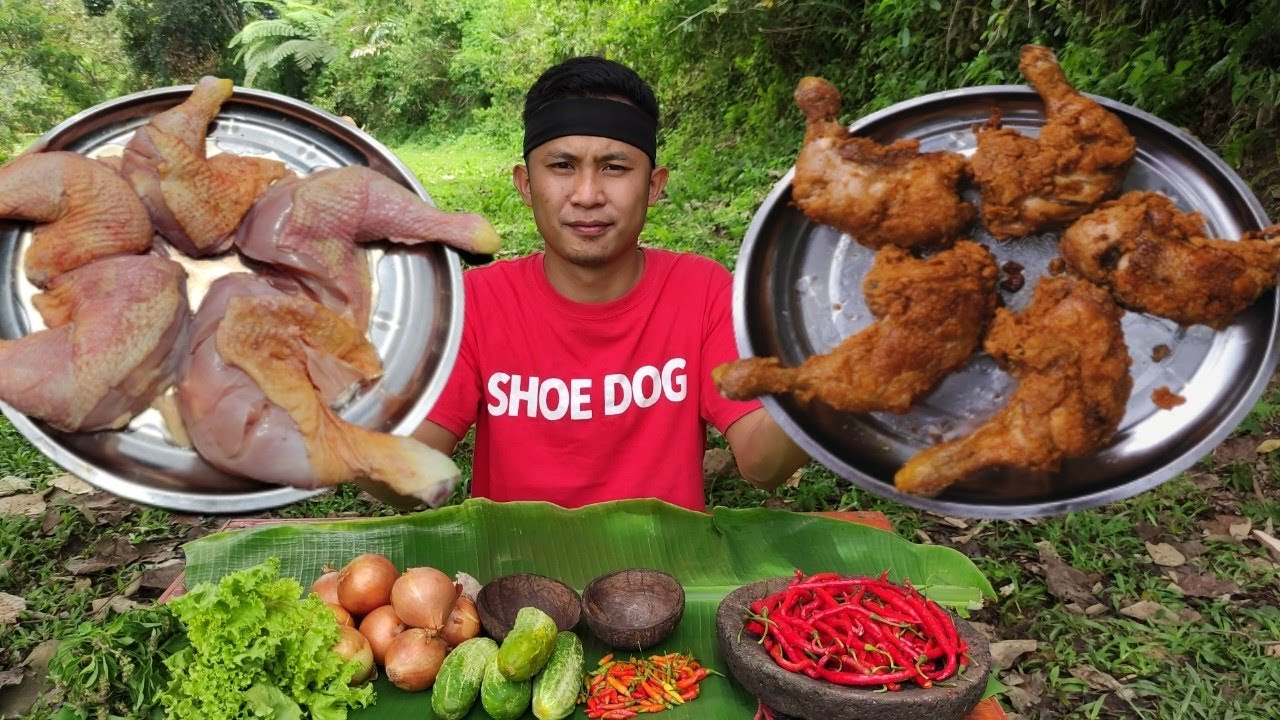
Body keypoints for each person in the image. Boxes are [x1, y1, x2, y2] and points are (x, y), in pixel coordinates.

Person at [410, 56, 808, 511]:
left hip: (669, 577)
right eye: (561, 165)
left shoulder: (701, 292)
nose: (587, 195)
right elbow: (407, 475)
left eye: (614, 167)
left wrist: (833, 370)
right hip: (513, 577)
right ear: (525, 184)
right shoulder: (478, 302)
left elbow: (762, 462)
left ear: (654, 186)